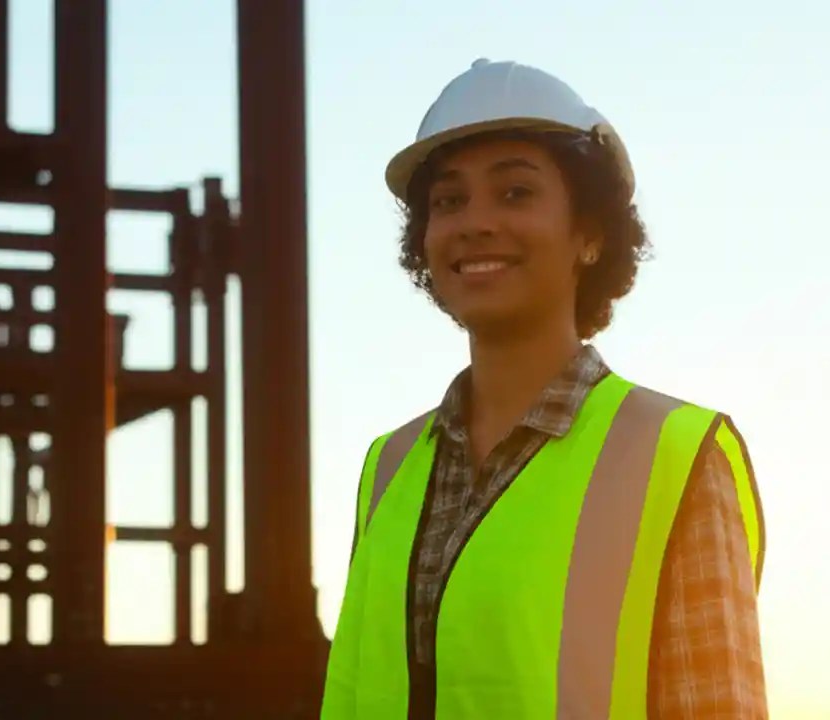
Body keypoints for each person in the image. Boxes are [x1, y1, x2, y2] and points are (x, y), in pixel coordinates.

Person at [321, 59, 768, 719]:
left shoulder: (674, 456)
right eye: (448, 201)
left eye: (515, 193)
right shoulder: (388, 468)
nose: (474, 222)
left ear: (589, 233)